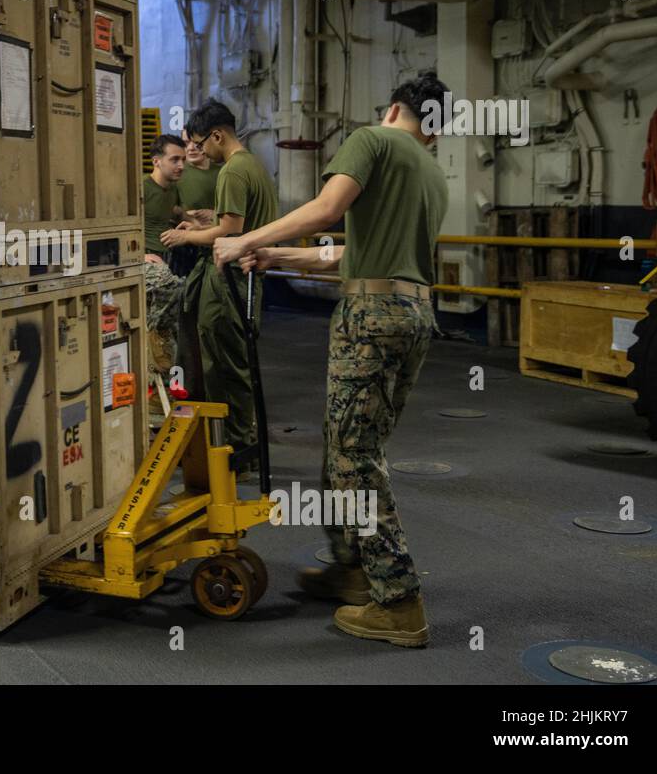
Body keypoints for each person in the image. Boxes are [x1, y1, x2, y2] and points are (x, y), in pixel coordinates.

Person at [213, 70, 449, 648]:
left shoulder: (372, 138)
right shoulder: (433, 172)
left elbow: (325, 209)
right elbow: (349, 251)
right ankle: (352, 570)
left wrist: (243, 241)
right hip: (413, 316)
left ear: (394, 108)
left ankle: (399, 602)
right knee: (350, 446)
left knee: (355, 460)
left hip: (371, 318)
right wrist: (277, 256)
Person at [161, 99, 278, 463]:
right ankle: (242, 443)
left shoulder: (231, 171)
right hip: (246, 279)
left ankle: (236, 449)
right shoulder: (253, 165)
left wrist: (186, 237)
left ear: (217, 135)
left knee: (225, 367)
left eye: (200, 143)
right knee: (235, 363)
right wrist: (202, 225)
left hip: (230, 282)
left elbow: (231, 231)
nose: (198, 151)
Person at [143, 135, 188, 383]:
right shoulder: (141, 189)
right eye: (174, 160)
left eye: (183, 160)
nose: (181, 165)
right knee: (169, 284)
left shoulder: (173, 190)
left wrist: (193, 219)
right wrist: (140, 253)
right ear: (157, 161)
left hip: (165, 257)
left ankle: (166, 385)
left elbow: (173, 211)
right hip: (144, 261)